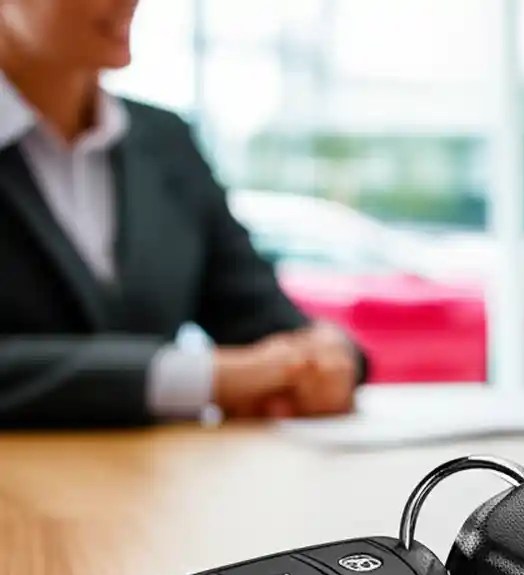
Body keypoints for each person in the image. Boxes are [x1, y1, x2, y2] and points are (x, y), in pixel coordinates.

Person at [0, 0, 364, 428]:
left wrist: (329, 357)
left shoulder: (165, 142)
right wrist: (205, 378)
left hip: (152, 484)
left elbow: (265, 319)